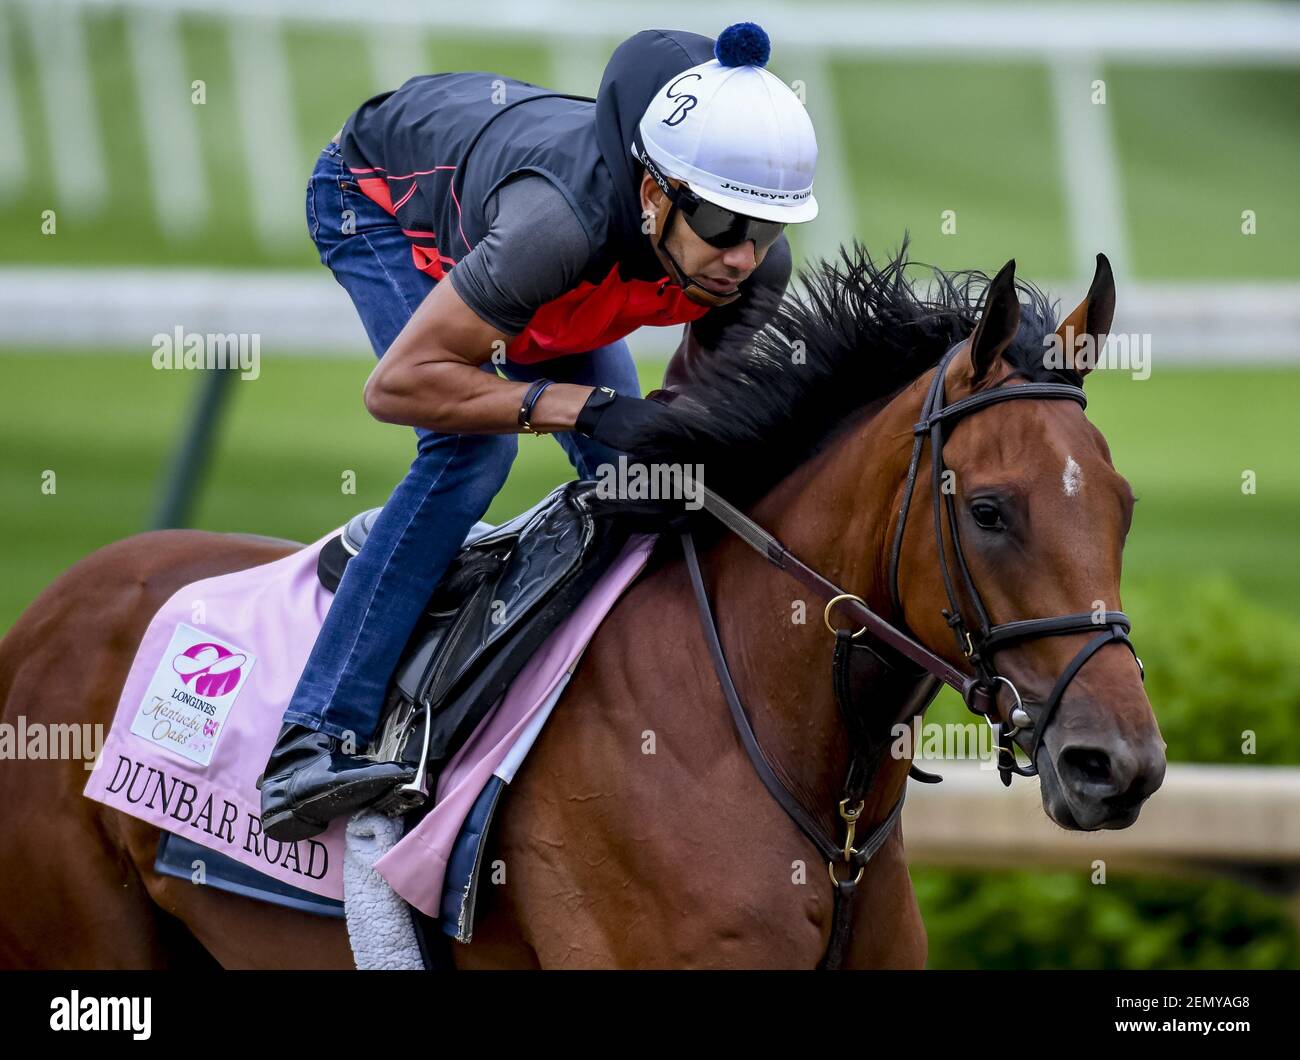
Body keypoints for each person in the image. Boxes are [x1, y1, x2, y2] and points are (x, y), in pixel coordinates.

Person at [257, 22, 820, 841]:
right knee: (469, 452)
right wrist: (575, 405)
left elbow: (684, 439)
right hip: (375, 197)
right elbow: (399, 386)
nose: (742, 257)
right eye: (722, 224)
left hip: (549, 255)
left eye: (765, 228)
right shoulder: (556, 230)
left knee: (647, 481)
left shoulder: (751, 266)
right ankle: (315, 737)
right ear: (655, 193)